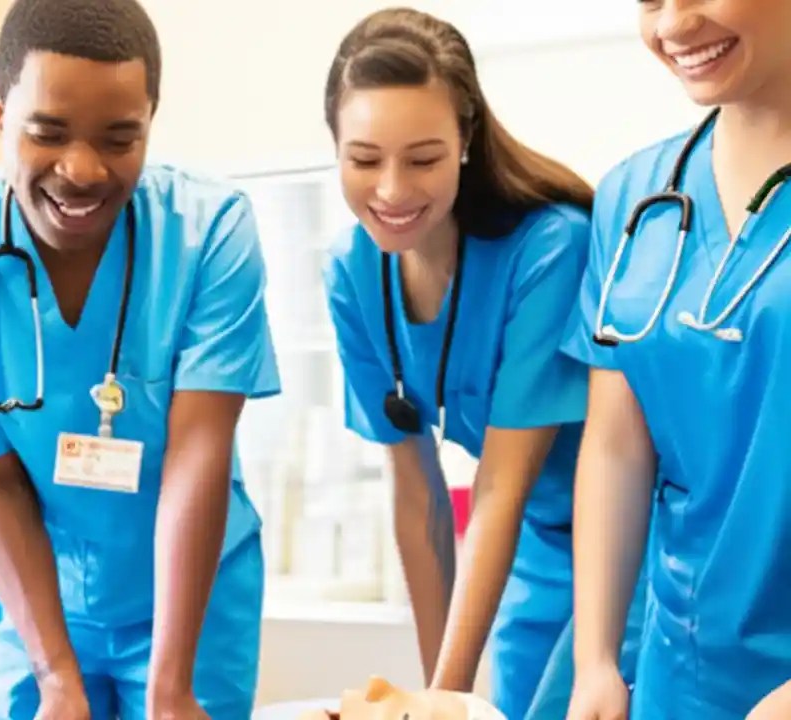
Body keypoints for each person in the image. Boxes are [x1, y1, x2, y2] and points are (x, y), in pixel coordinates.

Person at [0, 0, 280, 717]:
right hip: (30, 600)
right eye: (47, 133)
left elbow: (197, 455)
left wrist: (171, 687)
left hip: (189, 601)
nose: (81, 171)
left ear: (151, 117)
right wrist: (55, 677)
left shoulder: (210, 233)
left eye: (119, 139)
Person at [318, 9, 644, 720]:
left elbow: (499, 484)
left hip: (628, 550)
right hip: (532, 553)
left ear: (466, 140)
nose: (394, 190)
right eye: (365, 159)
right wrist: (431, 696)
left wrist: (446, 695)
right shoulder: (350, 275)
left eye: (424, 157)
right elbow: (416, 490)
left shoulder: (548, 248)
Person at [562, 1, 791, 718]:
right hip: (680, 673)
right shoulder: (634, 198)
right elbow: (615, 445)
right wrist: (596, 660)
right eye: (651, 1)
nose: (674, 25)